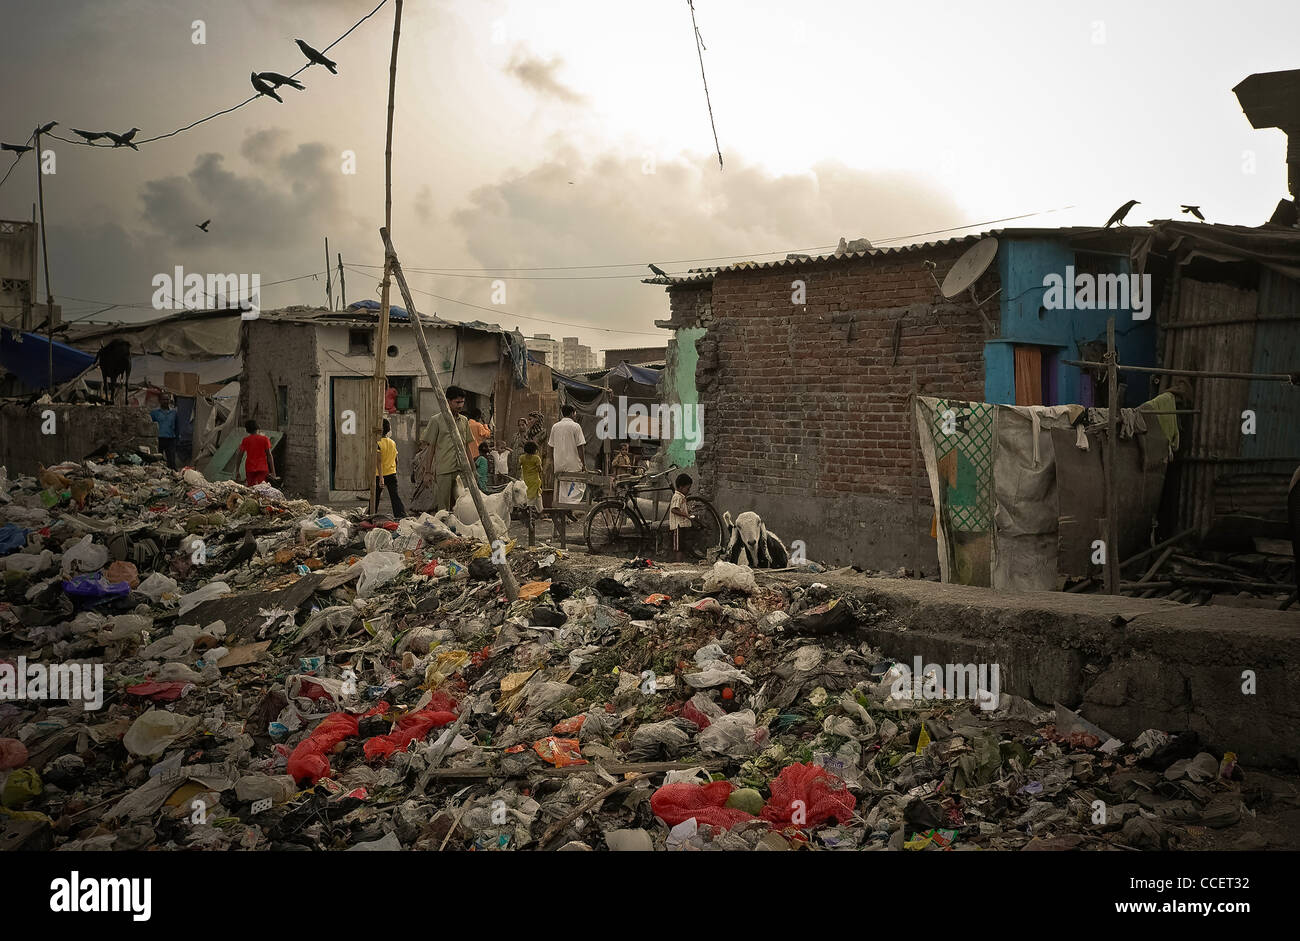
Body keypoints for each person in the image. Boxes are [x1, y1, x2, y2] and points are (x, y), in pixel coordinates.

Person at [413, 385, 473, 512]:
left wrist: (472, 469)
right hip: (444, 470)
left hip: (461, 470)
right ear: (448, 401)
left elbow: (467, 446)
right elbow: (431, 448)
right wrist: (428, 472)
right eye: (457, 402)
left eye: (462, 402)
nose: (460, 405)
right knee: (443, 508)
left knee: (463, 505)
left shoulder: (464, 421)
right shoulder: (436, 420)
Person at [548, 404, 586, 516]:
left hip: (559, 464)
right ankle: (570, 508)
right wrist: (583, 464)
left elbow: (550, 446)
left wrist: (551, 462)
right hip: (573, 464)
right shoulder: (576, 426)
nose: (575, 415)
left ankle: (564, 510)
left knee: (563, 489)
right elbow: (580, 447)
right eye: (575, 413)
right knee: (578, 486)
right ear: (572, 413)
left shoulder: (555, 426)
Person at [375, 418, 405, 517]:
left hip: (380, 475)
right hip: (392, 474)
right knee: (395, 497)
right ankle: (401, 516)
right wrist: (395, 470)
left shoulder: (378, 443)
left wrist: (381, 478)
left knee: (375, 498)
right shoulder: (392, 442)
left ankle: (370, 515)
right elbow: (397, 459)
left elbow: (378, 461)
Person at [236, 419, 276, 486]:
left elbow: (240, 455)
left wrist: (237, 470)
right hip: (262, 468)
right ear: (257, 428)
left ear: (247, 430)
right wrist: (273, 471)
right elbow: (269, 455)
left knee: (252, 489)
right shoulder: (265, 439)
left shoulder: (245, 440)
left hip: (250, 468)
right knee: (262, 489)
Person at [668, 473, 695, 561]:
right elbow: (674, 509)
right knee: (678, 547)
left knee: (681, 546)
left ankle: (681, 562)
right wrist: (686, 515)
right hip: (677, 526)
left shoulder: (681, 497)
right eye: (687, 488)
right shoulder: (677, 497)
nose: (688, 490)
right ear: (680, 487)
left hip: (681, 525)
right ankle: (678, 563)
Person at [151, 394, 180, 469]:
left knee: (171, 460)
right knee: (157, 459)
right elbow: (151, 426)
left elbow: (177, 426)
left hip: (170, 439)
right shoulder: (154, 413)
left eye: (167, 399)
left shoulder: (174, 413)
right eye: (163, 399)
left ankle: (173, 476)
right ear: (160, 401)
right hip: (159, 439)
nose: (165, 401)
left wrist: (177, 439)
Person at [520, 441, 543, 515]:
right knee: (536, 495)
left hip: (525, 479)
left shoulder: (522, 457)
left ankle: (531, 510)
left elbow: (518, 466)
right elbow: (540, 469)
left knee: (528, 494)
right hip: (534, 480)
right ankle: (539, 511)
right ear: (535, 450)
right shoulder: (536, 458)